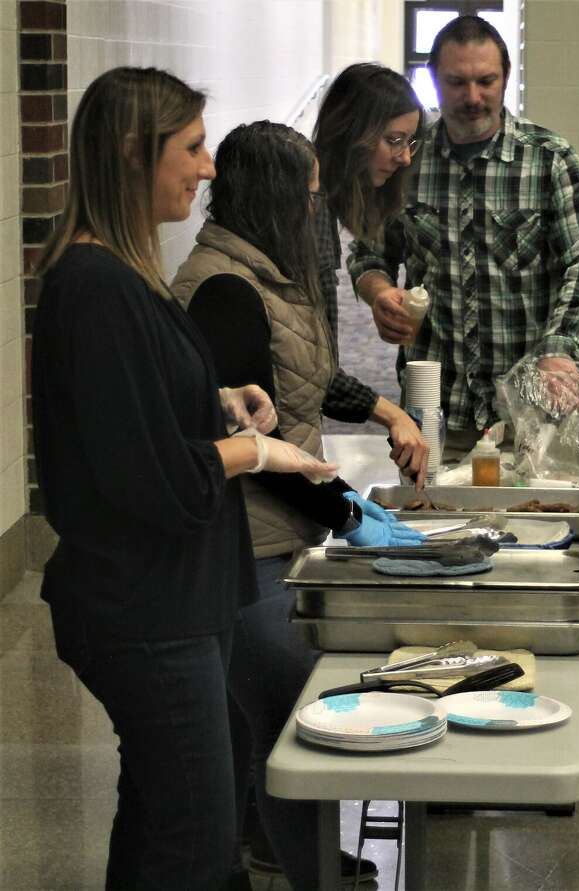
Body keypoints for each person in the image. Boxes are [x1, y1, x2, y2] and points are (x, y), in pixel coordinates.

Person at [30, 67, 335, 890]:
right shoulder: (94, 287)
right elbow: (149, 476)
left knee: (159, 820)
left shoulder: (128, 275)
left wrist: (217, 399)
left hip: (176, 601)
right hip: (145, 612)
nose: (207, 170)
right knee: (199, 847)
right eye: (193, 148)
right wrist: (261, 453)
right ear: (135, 153)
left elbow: (134, 413)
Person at [172, 121, 428, 889]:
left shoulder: (266, 276)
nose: (318, 212)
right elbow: (259, 449)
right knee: (293, 726)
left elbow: (304, 387)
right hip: (244, 546)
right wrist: (350, 510)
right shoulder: (225, 289)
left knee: (270, 726)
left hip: (276, 538)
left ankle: (289, 853)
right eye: (310, 197)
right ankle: (304, 866)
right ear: (279, 198)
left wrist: (383, 420)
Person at [346, 15, 579, 457]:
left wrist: (560, 348)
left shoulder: (549, 160)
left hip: (531, 415)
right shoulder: (406, 159)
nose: (473, 97)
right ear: (432, 80)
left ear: (505, 78)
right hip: (433, 413)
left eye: (486, 81)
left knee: (537, 523)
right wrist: (379, 293)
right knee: (432, 524)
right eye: (456, 82)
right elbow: (367, 252)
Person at [310, 61, 435, 477]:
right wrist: (391, 414)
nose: (403, 158)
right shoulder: (306, 215)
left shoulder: (320, 207)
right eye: (393, 140)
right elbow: (316, 370)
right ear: (351, 132)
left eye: (410, 142)